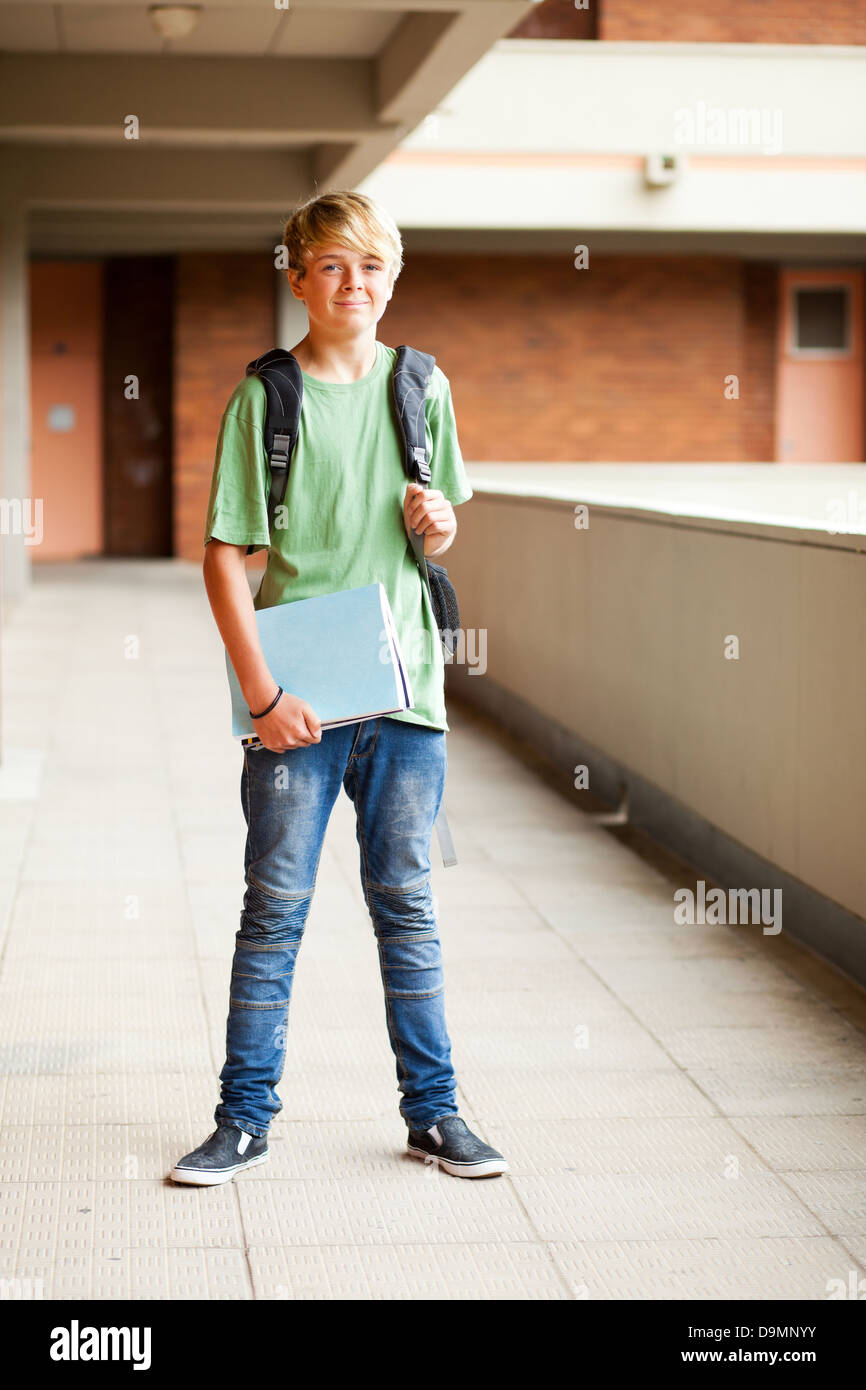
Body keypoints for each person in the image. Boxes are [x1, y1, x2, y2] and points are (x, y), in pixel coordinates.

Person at [170, 190, 508, 1186]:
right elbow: (225, 556)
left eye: (367, 265)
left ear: (390, 276)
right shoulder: (262, 400)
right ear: (298, 278)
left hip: (404, 697)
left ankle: (434, 1115)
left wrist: (436, 524)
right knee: (272, 910)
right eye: (329, 266)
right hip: (299, 707)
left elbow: (439, 527)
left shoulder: (423, 386)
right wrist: (262, 696)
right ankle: (241, 1121)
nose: (350, 283)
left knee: (405, 907)